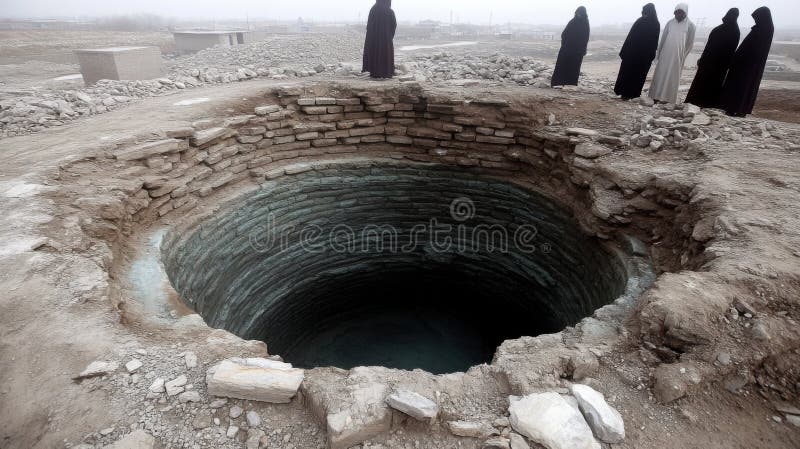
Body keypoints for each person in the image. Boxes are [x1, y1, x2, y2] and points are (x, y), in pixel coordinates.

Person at [720, 7, 775, 117]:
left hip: (747, 66)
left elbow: (750, 48)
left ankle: (735, 108)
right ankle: (738, 109)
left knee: (741, 87)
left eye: (756, 18)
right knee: (744, 87)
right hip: (749, 65)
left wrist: (737, 58)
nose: (755, 20)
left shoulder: (762, 30)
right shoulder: (764, 28)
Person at [685, 8, 740, 108]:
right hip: (715, 65)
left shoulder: (723, 29)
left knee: (706, 84)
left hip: (714, 64)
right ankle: (703, 103)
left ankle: (699, 102)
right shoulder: (734, 31)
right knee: (706, 84)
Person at [648, 3, 696, 103]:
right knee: (660, 74)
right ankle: (655, 96)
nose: (678, 15)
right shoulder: (670, 23)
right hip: (665, 54)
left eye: (680, 13)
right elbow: (663, 39)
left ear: (685, 13)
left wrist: (682, 55)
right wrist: (659, 53)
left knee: (672, 77)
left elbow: (689, 44)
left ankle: (668, 99)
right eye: (676, 12)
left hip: (677, 57)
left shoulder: (691, 26)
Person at [614, 3, 661, 100]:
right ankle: (629, 94)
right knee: (634, 75)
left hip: (637, 56)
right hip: (638, 56)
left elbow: (653, 41)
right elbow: (631, 37)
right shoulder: (651, 23)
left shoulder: (648, 22)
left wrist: (625, 51)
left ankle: (627, 94)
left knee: (633, 75)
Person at [551, 7, 591, 87]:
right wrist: (566, 44)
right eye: (577, 13)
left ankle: (571, 84)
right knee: (562, 65)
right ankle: (558, 83)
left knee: (574, 68)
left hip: (577, 51)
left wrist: (582, 49)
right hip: (567, 49)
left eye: (580, 13)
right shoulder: (572, 22)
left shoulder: (585, 23)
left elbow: (585, 38)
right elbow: (564, 34)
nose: (578, 15)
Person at [362, 0, 397, 79]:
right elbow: (394, 25)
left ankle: (374, 72)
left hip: (374, 39)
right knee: (386, 55)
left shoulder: (373, 10)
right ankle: (387, 73)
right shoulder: (389, 11)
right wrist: (389, 36)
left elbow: (369, 26)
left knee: (375, 53)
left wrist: (372, 37)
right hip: (386, 39)